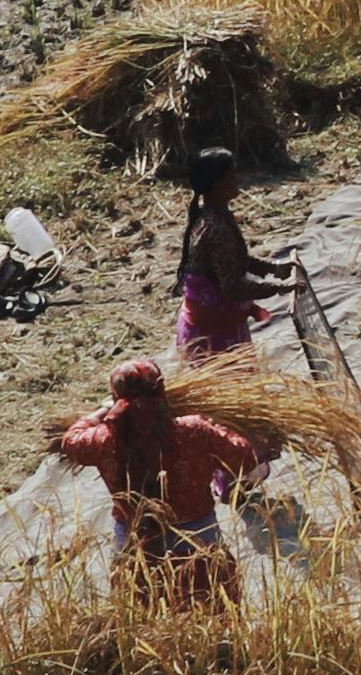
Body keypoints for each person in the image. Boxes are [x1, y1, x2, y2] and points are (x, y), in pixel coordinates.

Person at [57, 356, 261, 609]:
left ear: (116, 399)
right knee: (211, 608)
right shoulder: (194, 431)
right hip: (198, 537)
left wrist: (102, 411)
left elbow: (70, 440)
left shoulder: (104, 440)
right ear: (162, 390)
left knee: (142, 612)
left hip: (135, 540)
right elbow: (245, 457)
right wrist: (213, 425)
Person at [170, 144, 299, 357]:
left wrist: (275, 268)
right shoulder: (215, 228)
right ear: (218, 183)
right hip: (213, 339)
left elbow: (235, 260)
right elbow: (232, 287)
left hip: (218, 325)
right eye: (232, 175)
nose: (237, 179)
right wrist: (277, 288)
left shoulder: (215, 215)